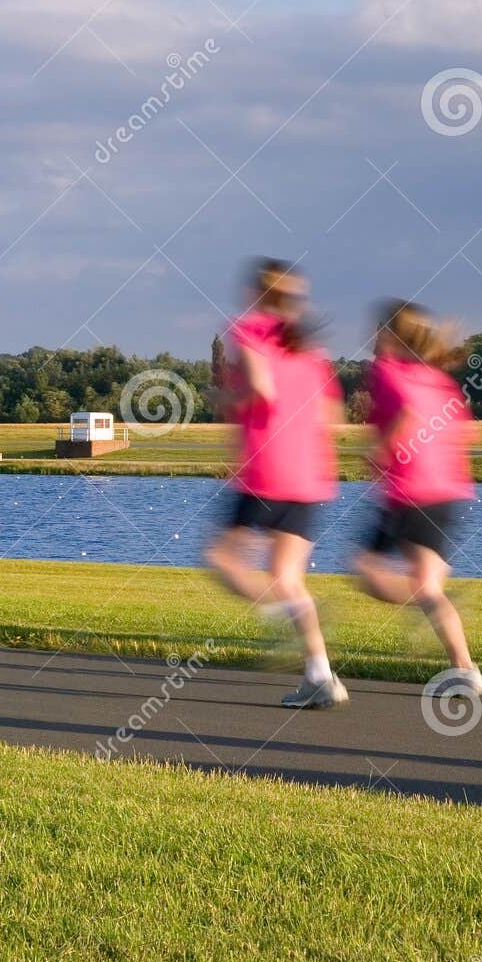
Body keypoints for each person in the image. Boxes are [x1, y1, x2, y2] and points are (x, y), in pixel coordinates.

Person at [204, 258, 348, 709]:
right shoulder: (310, 349)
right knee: (288, 578)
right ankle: (320, 676)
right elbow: (334, 418)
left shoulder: (248, 330)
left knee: (222, 561)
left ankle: (281, 617)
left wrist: (226, 397)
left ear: (260, 295)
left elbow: (261, 388)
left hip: (267, 467)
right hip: (310, 474)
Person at [352, 299, 482, 697]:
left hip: (410, 491)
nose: (373, 338)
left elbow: (407, 415)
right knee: (425, 586)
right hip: (448, 492)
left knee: (368, 573)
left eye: (380, 330)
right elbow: (465, 432)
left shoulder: (387, 371)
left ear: (393, 335)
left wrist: (382, 452)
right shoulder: (438, 379)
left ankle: (436, 612)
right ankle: (464, 666)